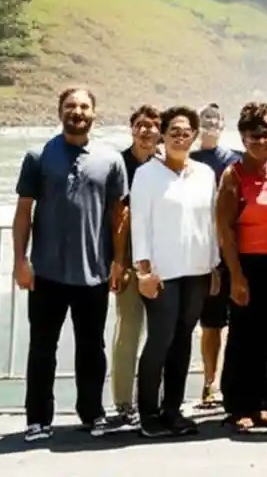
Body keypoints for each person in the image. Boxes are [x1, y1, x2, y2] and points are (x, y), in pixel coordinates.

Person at [13, 86, 128, 441]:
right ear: (59, 111)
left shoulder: (111, 160)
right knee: (42, 348)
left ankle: (92, 413)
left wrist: (119, 261)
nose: (77, 111)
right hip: (46, 272)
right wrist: (20, 260)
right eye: (70, 106)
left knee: (92, 348)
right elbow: (23, 213)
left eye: (83, 106)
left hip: (93, 274)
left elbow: (118, 215)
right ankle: (38, 419)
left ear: (94, 113)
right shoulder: (38, 156)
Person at [129, 106, 219, 437]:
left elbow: (210, 223)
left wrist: (214, 264)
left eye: (187, 131)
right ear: (163, 135)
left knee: (183, 341)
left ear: (195, 136)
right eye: (174, 131)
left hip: (196, 270)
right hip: (162, 273)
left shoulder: (205, 174)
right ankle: (148, 413)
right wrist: (143, 270)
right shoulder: (147, 174)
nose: (180, 136)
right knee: (160, 340)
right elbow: (139, 224)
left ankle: (173, 410)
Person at [217, 102, 267, 432]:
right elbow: (224, 229)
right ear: (242, 136)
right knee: (244, 337)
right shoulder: (233, 175)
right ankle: (240, 406)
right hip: (247, 264)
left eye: (266, 132)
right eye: (252, 133)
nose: (259, 138)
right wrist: (236, 276)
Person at [111, 103, 162, 425]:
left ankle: (154, 400)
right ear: (132, 129)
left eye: (153, 125)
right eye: (141, 125)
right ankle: (122, 402)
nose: (146, 131)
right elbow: (115, 215)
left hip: (162, 259)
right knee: (128, 329)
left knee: (161, 333)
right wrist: (117, 262)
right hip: (128, 257)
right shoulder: (118, 164)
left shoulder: (165, 165)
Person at [189, 102, 240, 408]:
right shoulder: (189, 159)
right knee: (211, 324)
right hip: (204, 252)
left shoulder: (235, 159)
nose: (210, 122)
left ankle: (232, 382)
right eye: (205, 118)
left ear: (223, 124)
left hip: (234, 250)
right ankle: (209, 383)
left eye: (215, 118)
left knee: (239, 322)